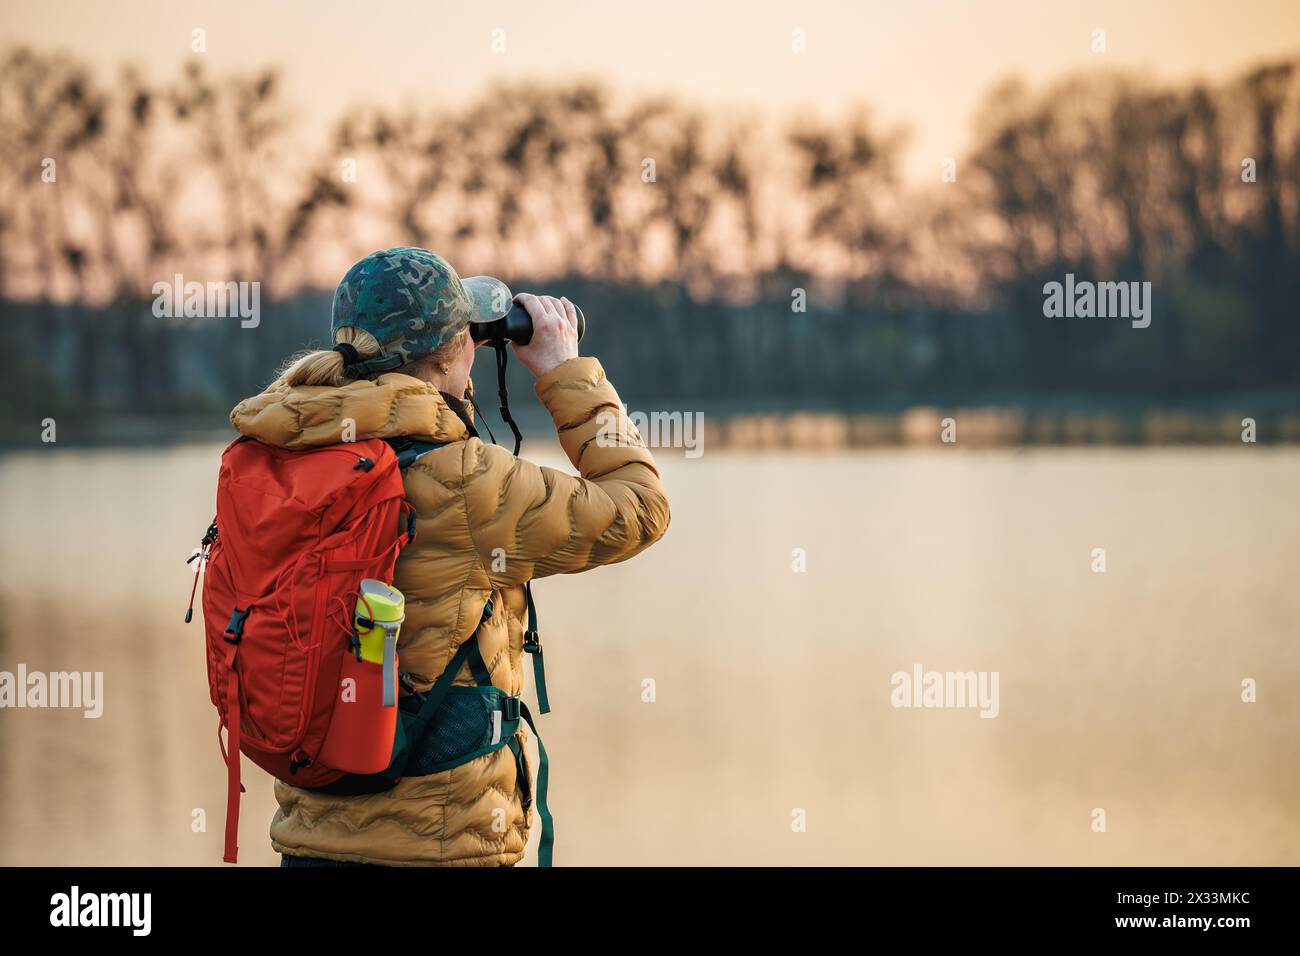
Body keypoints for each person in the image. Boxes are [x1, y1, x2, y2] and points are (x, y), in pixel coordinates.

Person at [229, 246, 670, 866]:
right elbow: (639, 508)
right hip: (436, 845)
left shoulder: (276, 455)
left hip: (309, 835)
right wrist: (565, 371)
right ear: (456, 351)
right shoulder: (463, 480)